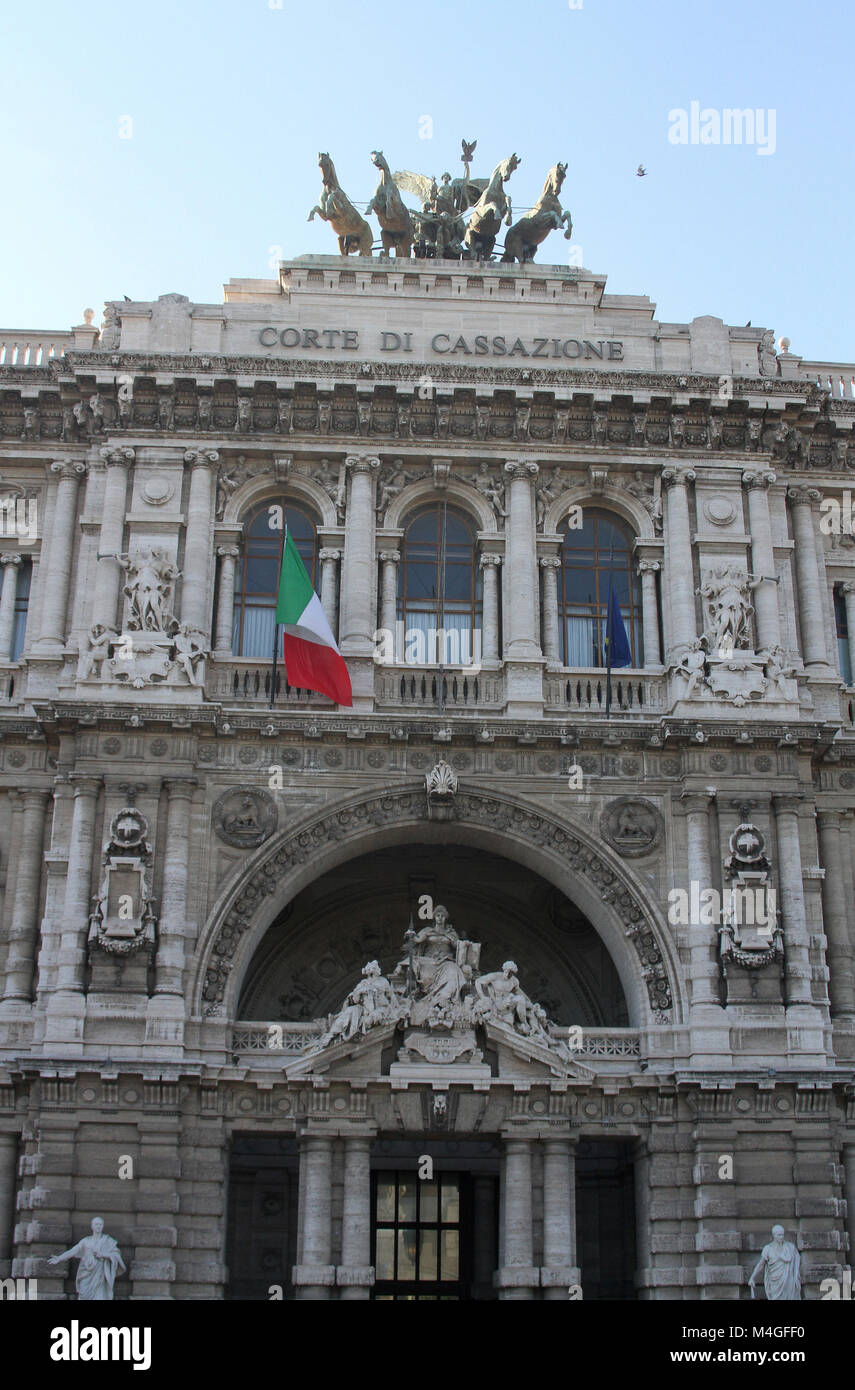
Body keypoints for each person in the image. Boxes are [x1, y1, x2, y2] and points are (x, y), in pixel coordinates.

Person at [48, 1217, 126, 1300]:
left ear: (103, 1226)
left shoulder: (108, 1241)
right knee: (83, 1295)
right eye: (96, 1224)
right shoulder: (86, 1241)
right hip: (86, 1273)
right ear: (92, 1226)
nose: (98, 1226)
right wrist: (59, 1258)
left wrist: (103, 1254)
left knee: (100, 1297)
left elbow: (116, 1255)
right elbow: (73, 1251)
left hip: (100, 1275)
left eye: (100, 1224)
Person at [749, 1225, 801, 1300]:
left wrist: (795, 1278)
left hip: (789, 1282)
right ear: (774, 1235)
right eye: (779, 1235)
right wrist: (752, 1278)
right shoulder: (768, 1249)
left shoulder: (790, 1247)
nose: (781, 1237)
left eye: (782, 1234)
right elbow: (761, 1264)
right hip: (775, 1282)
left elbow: (796, 1263)